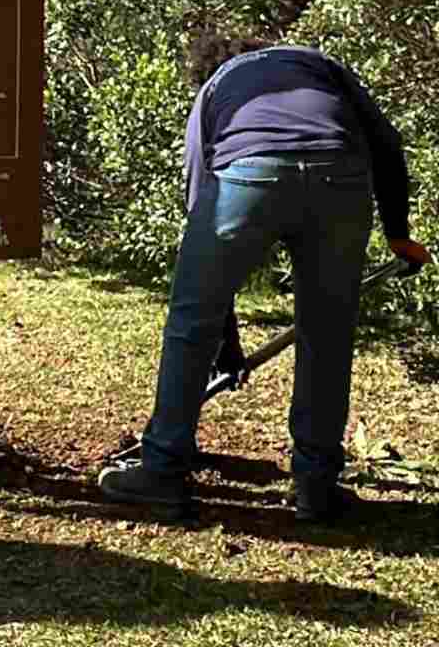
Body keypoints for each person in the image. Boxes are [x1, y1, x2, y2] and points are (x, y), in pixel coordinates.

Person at [98, 32, 431, 523]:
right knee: (327, 335)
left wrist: (219, 326)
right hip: (340, 179)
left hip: (249, 177)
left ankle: (162, 471)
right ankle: (316, 488)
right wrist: (399, 234)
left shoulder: (216, 85)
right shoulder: (318, 62)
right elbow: (385, 139)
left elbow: (199, 195)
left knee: (190, 323)